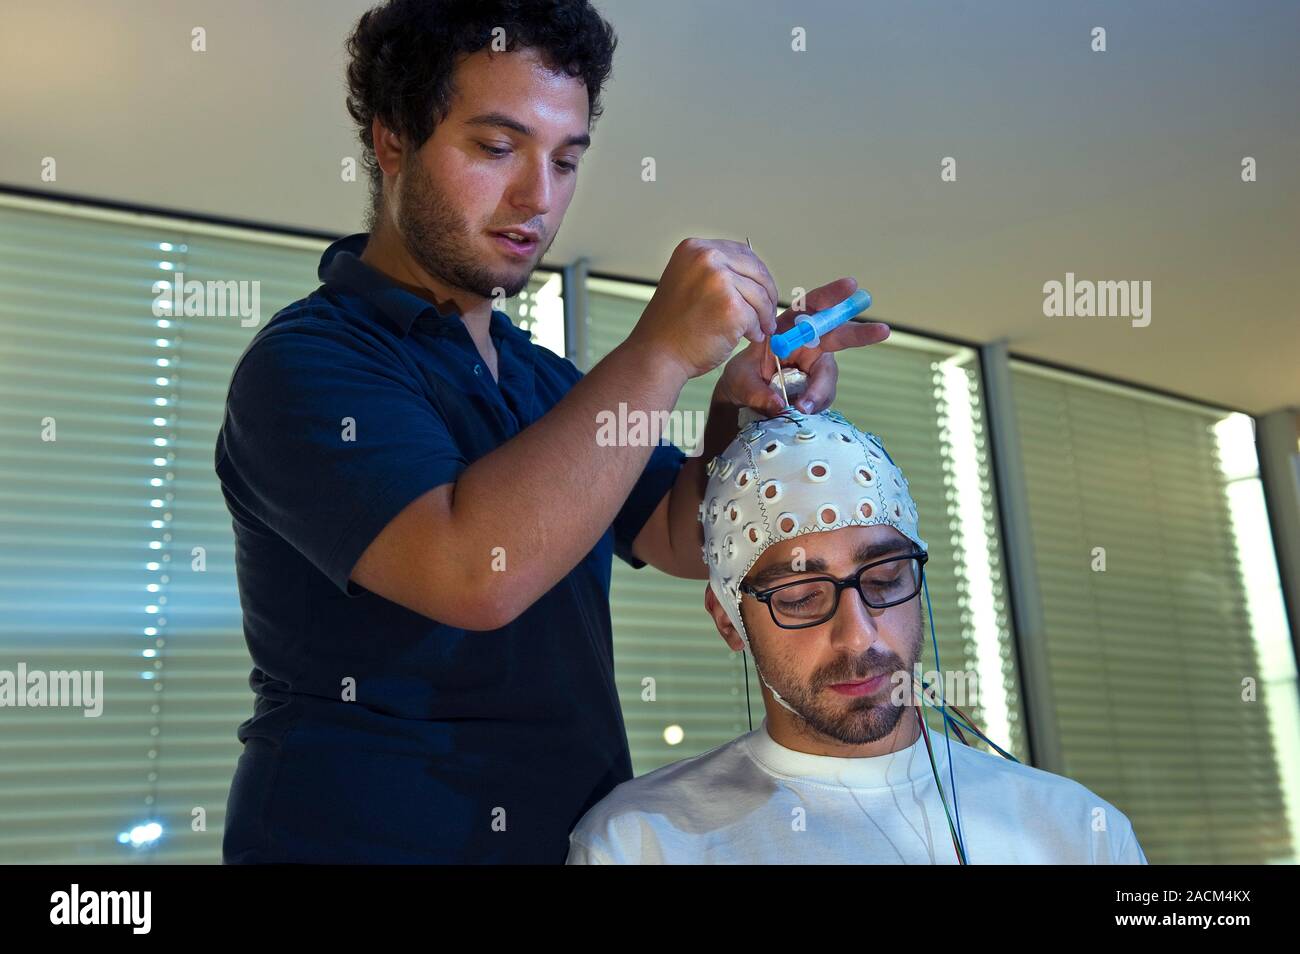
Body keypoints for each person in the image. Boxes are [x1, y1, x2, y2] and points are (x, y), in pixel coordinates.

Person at [214, 0, 888, 863]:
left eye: (566, 160)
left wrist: (738, 407)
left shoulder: (540, 380)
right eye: (497, 148)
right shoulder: (308, 365)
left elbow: (681, 531)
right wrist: (659, 349)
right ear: (391, 142)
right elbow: (474, 572)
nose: (538, 197)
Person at [566, 407, 1149, 864]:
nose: (858, 634)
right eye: (800, 597)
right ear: (728, 621)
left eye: (885, 578)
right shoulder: (643, 844)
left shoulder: (1077, 831)